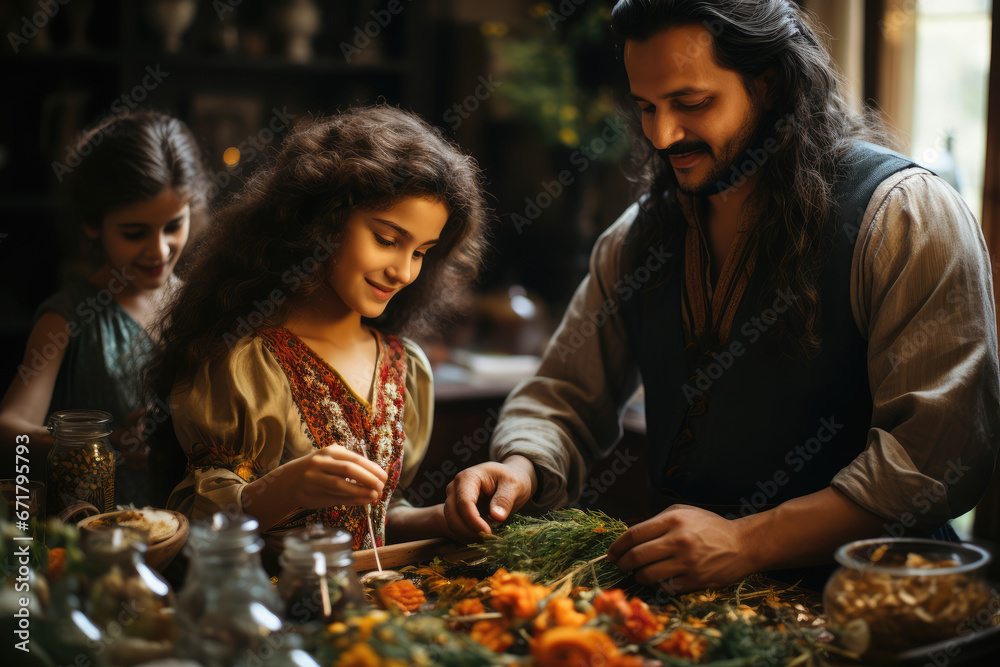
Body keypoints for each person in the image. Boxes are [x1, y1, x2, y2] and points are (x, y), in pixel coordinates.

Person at [445, 0, 1000, 593]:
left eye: (691, 103)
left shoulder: (905, 216)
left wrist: (748, 541)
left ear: (770, 84)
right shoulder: (636, 240)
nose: (662, 135)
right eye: (646, 107)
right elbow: (564, 395)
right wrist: (519, 467)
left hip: (879, 609)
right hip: (697, 613)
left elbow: (934, 457)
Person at [145, 106, 488, 562]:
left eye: (421, 252)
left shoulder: (405, 366)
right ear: (323, 221)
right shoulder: (245, 363)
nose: (403, 272)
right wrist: (280, 491)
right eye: (387, 240)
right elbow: (195, 526)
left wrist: (446, 518)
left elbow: (378, 518)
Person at [0, 110, 211, 508]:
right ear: (92, 224)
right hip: (95, 534)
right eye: (135, 232)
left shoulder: (198, 306)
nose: (159, 250)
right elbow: (10, 429)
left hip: (189, 527)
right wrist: (95, 443)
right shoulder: (67, 317)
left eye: (172, 226)